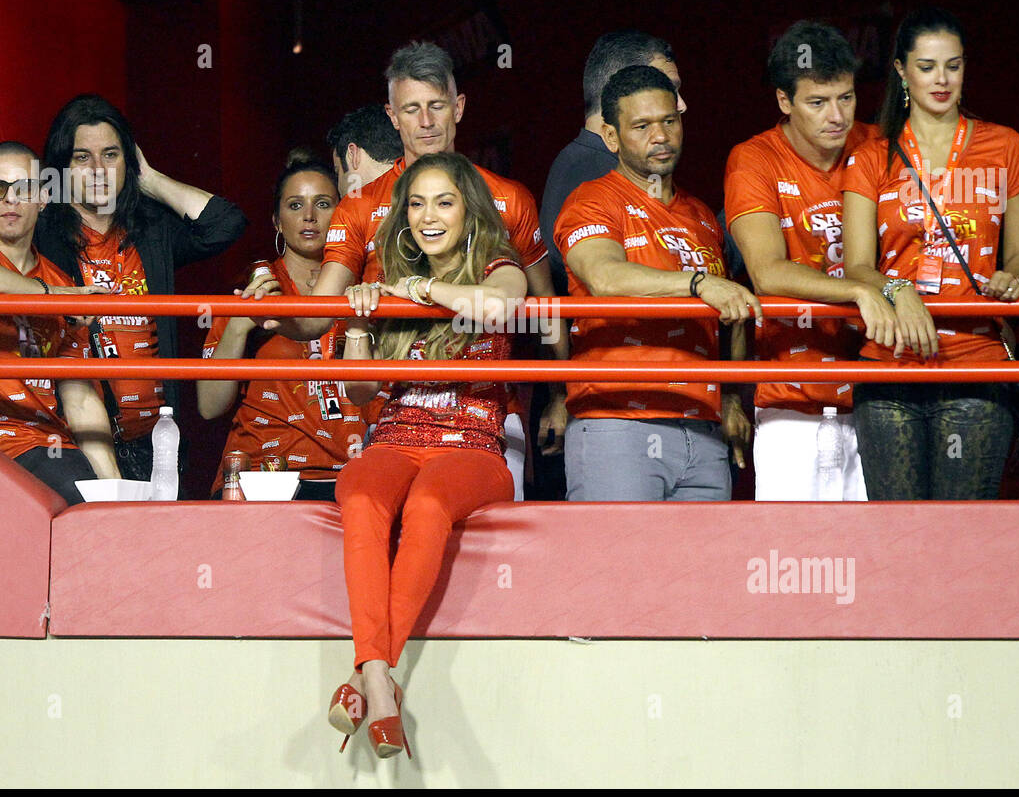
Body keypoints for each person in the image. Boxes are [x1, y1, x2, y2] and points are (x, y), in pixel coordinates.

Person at [284, 41, 567, 498]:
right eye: (412, 109)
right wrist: (271, 312)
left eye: (437, 106)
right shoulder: (359, 205)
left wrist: (559, 395)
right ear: (393, 117)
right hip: (394, 412)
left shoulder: (509, 197)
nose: (427, 122)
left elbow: (545, 304)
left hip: (486, 413)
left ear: (458, 107)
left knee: (483, 552)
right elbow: (319, 314)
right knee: (388, 525)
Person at [0, 95, 248, 483]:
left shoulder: (152, 231)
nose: (97, 170)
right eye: (82, 157)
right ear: (56, 177)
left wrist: (151, 179)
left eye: (110, 155)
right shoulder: (35, 226)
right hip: (67, 441)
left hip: (152, 439)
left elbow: (225, 225)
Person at [327, 152, 523, 759]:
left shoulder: (500, 265)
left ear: (470, 209)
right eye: (416, 203)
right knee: (359, 492)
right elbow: (360, 391)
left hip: (472, 444)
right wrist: (362, 320)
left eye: (444, 202)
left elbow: (500, 306)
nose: (429, 216)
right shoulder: (385, 274)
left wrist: (417, 290)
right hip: (395, 437)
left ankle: (368, 677)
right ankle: (378, 676)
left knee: (431, 502)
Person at [842, 7, 1019, 500]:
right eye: (927, 67)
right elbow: (857, 264)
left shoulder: (1005, 144)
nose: (942, 79)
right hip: (889, 365)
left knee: (961, 541)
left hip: (976, 363)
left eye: (954, 65)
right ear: (902, 71)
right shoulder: (871, 155)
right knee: (898, 539)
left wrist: (1012, 276)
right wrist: (898, 288)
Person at [554, 65, 760, 502]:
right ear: (611, 138)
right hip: (618, 423)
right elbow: (605, 276)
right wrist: (699, 283)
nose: (660, 136)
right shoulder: (591, 199)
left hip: (704, 427)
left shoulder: (703, 215)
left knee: (702, 571)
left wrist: (733, 399)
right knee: (617, 570)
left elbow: (732, 315)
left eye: (669, 121)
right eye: (642, 126)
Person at [725, 20, 894, 500]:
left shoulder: (881, 145)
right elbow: (767, 271)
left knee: (880, 556)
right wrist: (860, 289)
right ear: (784, 101)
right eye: (817, 102)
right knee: (791, 557)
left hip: (881, 393)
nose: (836, 116)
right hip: (789, 398)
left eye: (846, 97)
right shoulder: (754, 159)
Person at [0, 142, 120, 504]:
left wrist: (113, 490)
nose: (10, 200)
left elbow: (78, 396)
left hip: (43, 445)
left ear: (43, 198)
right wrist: (45, 294)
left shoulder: (61, 284)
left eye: (25, 189)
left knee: (92, 508)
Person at [197, 154, 366, 500]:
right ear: (276, 221)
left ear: (343, 215)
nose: (309, 216)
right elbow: (209, 406)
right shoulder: (253, 288)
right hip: (263, 474)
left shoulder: (365, 290)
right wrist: (240, 325)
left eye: (322, 203)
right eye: (294, 205)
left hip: (353, 476)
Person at [540, 30, 686, 296]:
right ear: (625, 86)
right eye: (667, 89)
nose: (681, 105)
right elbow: (606, 279)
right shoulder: (590, 176)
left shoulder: (588, 162)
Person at [326, 104, 403, 197]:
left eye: (338, 173)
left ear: (352, 153)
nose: (339, 187)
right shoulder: (418, 195)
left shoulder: (351, 208)